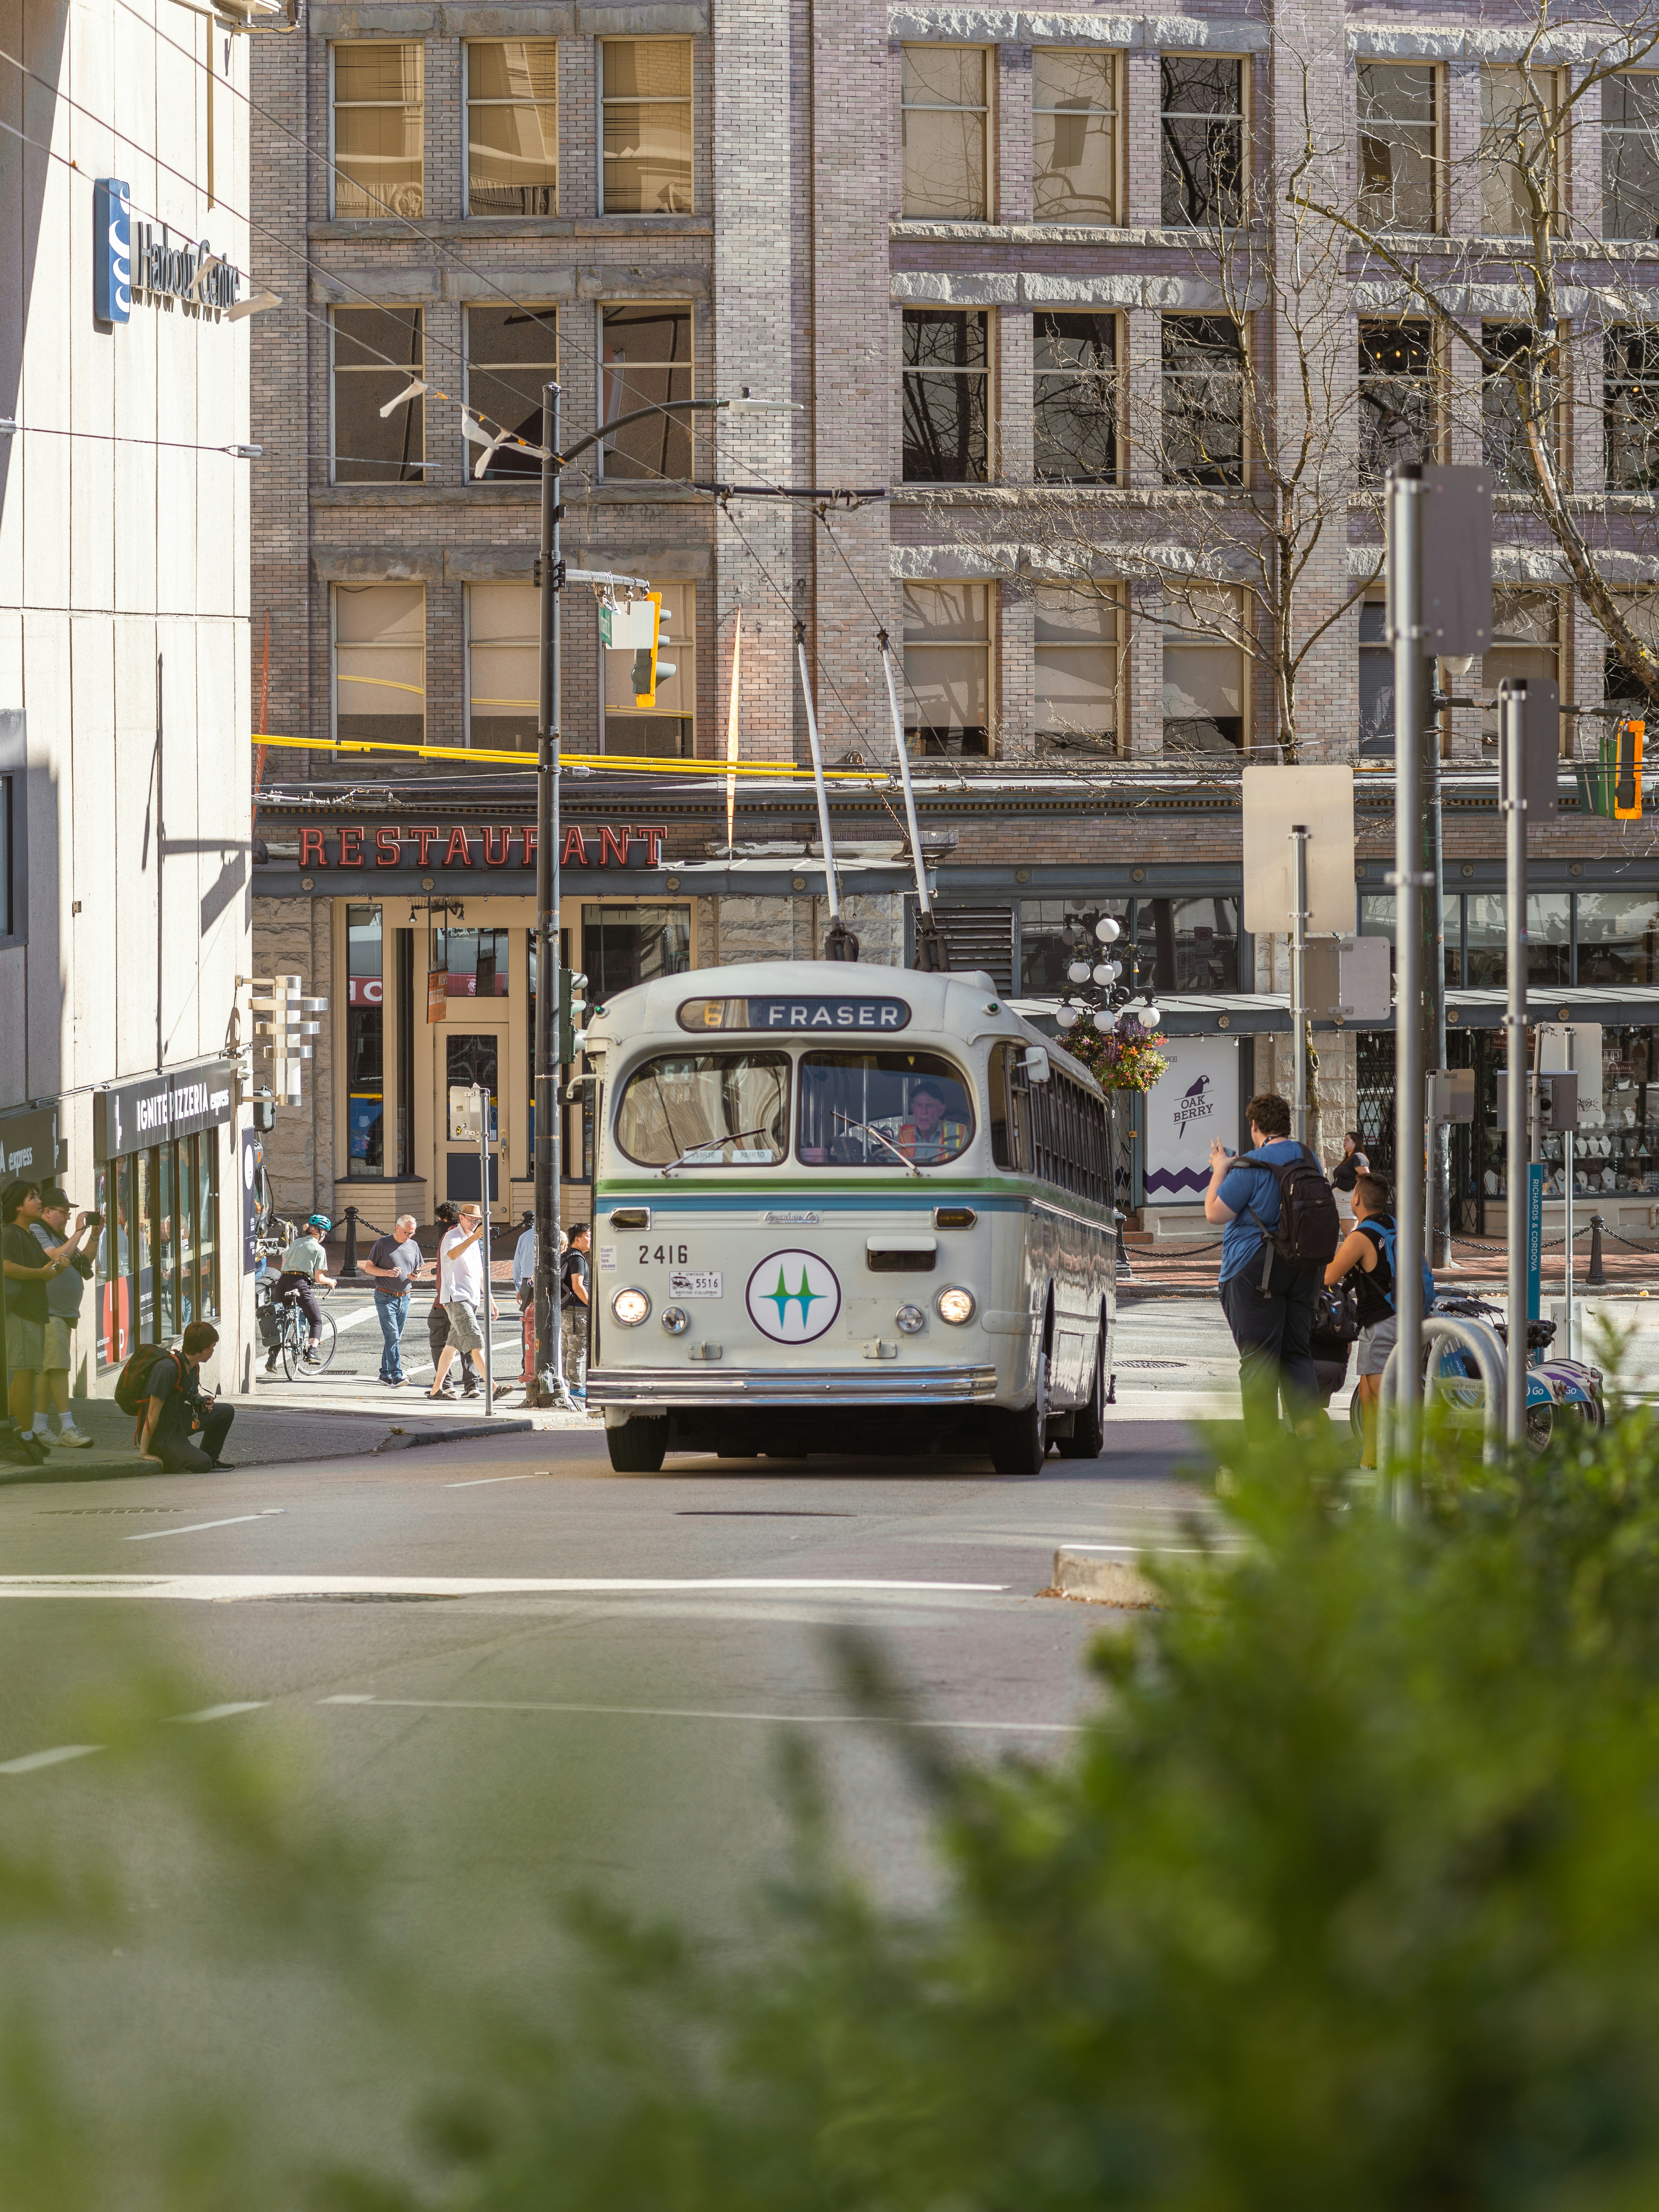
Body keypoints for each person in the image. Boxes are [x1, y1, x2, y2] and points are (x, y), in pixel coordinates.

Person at [1204, 1092, 1323, 1438]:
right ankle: (1310, 1445)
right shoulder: (1308, 1157)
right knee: (1297, 1354)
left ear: (1255, 1126)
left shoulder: (1251, 1166)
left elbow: (1215, 1213)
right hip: (1305, 1268)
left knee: (1258, 1362)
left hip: (1256, 1271)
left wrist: (1219, 1170)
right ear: (1285, 1124)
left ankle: (1263, 1455)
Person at [1325, 1172, 1433, 1471]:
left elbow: (1329, 1276)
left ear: (1356, 1199)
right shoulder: (1398, 1228)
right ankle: (1369, 1457)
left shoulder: (1361, 1237)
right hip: (1405, 1316)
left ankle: (1394, 1462)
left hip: (1383, 1320)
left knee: (1381, 1394)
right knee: (1366, 1390)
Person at [29, 1188, 98, 1447]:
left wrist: (94, 1235)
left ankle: (39, 1426)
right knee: (58, 1367)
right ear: (47, 1212)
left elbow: (84, 1263)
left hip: (64, 1313)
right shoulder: (38, 1231)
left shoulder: (59, 1235)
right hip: (50, 1311)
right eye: (63, 1212)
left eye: (70, 1213)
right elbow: (54, 1257)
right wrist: (78, 1233)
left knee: (49, 1369)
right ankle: (67, 1427)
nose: (69, 1217)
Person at [1, 1182, 60, 1435]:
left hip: (34, 1314)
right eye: (32, 1197)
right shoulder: (10, 1233)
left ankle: (23, 1435)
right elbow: (6, 1267)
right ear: (17, 1206)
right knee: (24, 1377)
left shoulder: (30, 1233)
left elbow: (46, 1269)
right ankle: (22, 1435)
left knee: (29, 1376)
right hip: (22, 1313)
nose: (39, 1201)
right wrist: (40, 1273)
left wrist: (61, 1264)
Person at [429, 1201, 503, 1399]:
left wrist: (490, 1298)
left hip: (470, 1298)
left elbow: (479, 1272)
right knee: (476, 1341)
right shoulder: (452, 1236)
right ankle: (493, 1388)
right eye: (471, 1220)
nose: (474, 1224)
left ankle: (436, 1390)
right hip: (457, 1297)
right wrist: (474, 1239)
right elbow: (452, 1255)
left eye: (477, 1221)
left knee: (451, 1346)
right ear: (460, 1218)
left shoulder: (472, 1238)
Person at [139, 1320, 234, 1473]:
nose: (213, 1351)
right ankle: (177, 1455)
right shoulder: (167, 1369)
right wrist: (145, 1452)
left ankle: (212, 1458)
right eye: (212, 1347)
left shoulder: (192, 1366)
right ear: (204, 1349)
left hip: (178, 1419)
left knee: (226, 1411)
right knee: (202, 1464)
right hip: (162, 1433)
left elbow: (191, 1394)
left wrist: (201, 1400)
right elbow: (151, 1414)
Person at [268, 1213, 336, 1371]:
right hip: (300, 1283)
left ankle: (272, 1358)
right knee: (316, 1320)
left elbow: (285, 1263)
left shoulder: (296, 1242)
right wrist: (331, 1282)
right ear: (321, 1232)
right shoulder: (319, 1249)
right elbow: (319, 1278)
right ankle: (312, 1353)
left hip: (283, 1281)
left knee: (280, 1320)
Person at [362, 1213, 421, 1386]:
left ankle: (384, 1374)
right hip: (385, 1296)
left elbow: (418, 1269)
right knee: (393, 1336)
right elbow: (368, 1268)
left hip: (405, 1298)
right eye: (407, 1233)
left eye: (412, 1233)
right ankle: (396, 1375)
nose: (409, 1236)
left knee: (393, 1338)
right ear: (398, 1228)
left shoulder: (413, 1245)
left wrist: (415, 1276)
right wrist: (387, 1273)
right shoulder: (383, 1244)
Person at [425, 1202, 461, 1391]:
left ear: (445, 1219)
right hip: (467, 1298)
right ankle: (473, 1385)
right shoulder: (471, 1237)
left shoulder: (449, 1236)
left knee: (439, 1341)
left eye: (440, 1219)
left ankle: (445, 1385)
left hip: (446, 1299)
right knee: (468, 1342)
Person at [895, 1081, 969, 1165]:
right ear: (913, 1109)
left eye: (930, 1106)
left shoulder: (960, 1133)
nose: (924, 1112)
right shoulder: (901, 1138)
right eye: (919, 1105)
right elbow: (892, 1174)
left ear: (941, 1110)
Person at [560, 1223, 591, 1398]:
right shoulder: (578, 1258)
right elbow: (578, 1287)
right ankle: (576, 1386)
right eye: (588, 1236)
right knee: (578, 1350)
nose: (591, 1240)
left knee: (567, 1348)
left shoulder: (567, 1255)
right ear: (577, 1239)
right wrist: (592, 1306)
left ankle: (567, 1383)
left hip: (567, 1310)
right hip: (578, 1311)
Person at [1329, 1130, 1371, 1222]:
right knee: (1347, 1232)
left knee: (1349, 1232)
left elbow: (1367, 1179)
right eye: (1344, 1140)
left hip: (1348, 1201)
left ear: (1355, 1143)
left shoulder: (1358, 1157)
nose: (1344, 1143)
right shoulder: (1349, 1158)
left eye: (1347, 1140)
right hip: (1342, 1201)